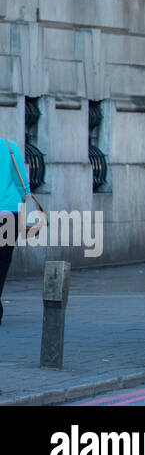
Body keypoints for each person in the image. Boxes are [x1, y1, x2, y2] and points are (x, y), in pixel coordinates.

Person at [0, 137, 40, 325]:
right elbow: (21, 180)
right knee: (1, 260)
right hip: (8, 213)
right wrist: (26, 197)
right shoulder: (9, 147)